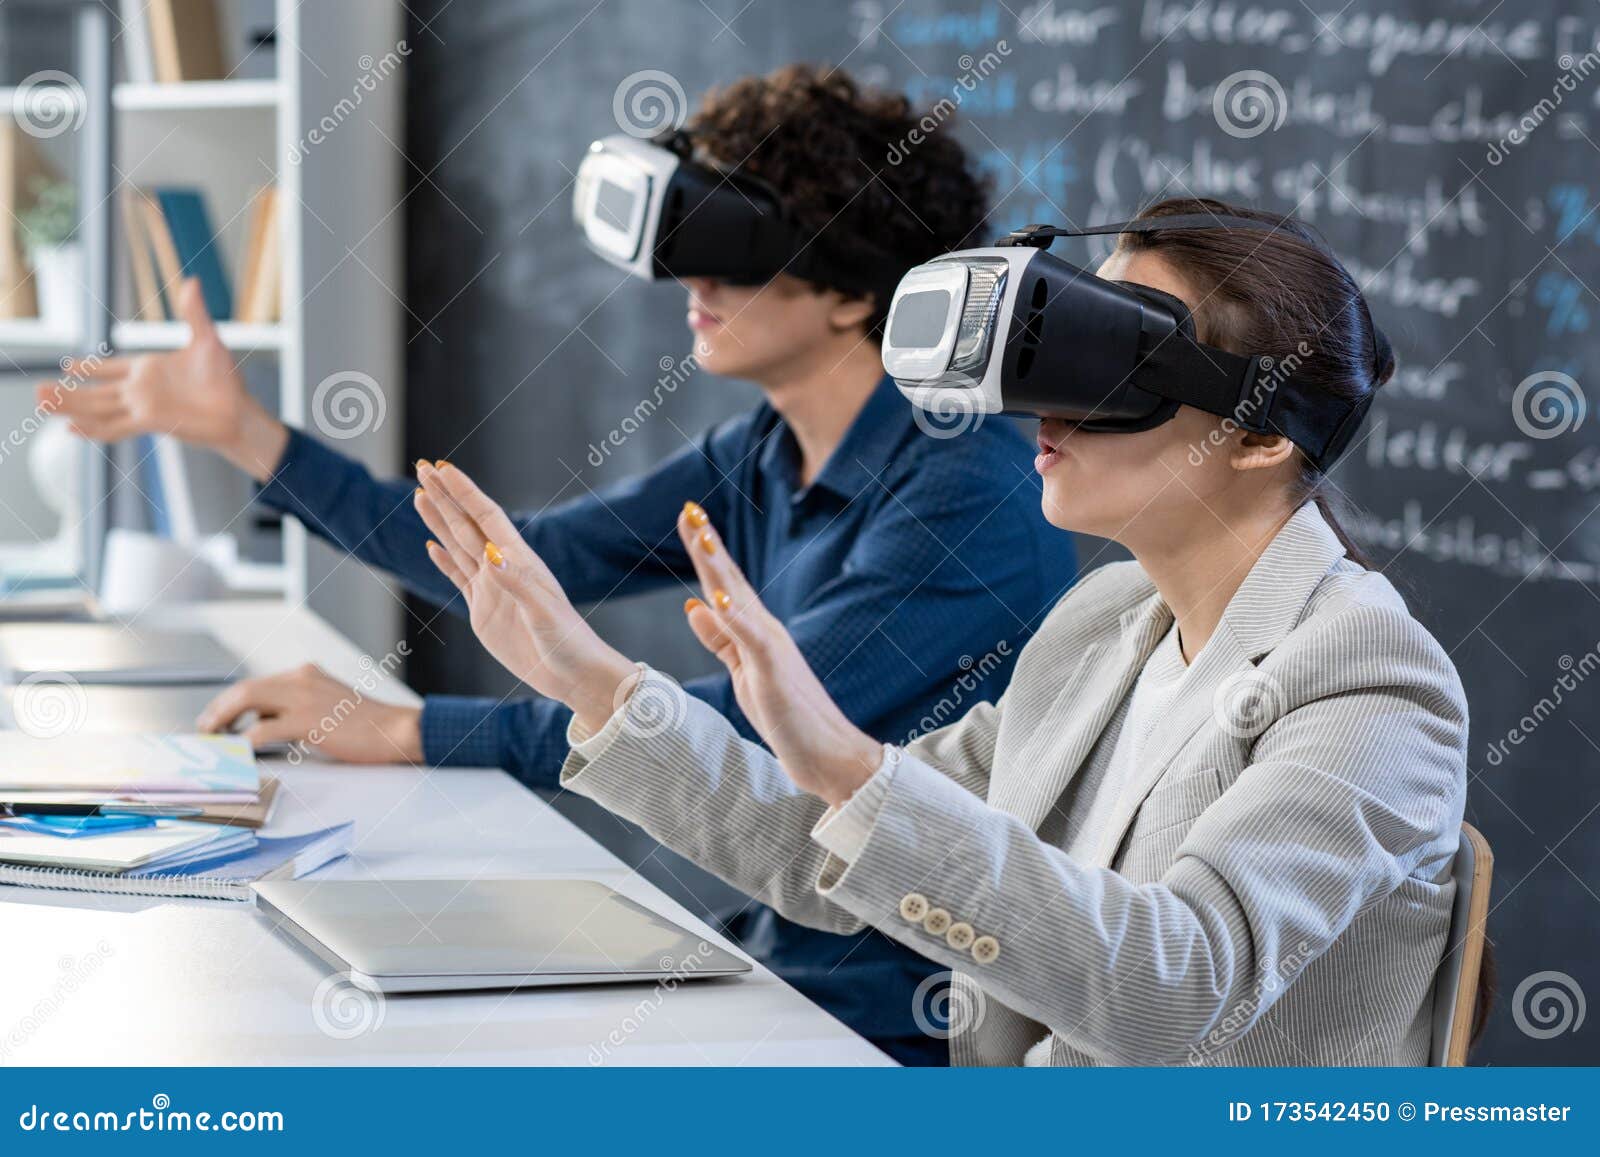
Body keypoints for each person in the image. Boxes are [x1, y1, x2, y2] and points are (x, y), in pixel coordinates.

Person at [42, 65, 1077, 1065]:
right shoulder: (765, 451)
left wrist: (404, 728)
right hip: (783, 956)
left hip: (903, 1020)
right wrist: (247, 433)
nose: (690, 282)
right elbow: (507, 559)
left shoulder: (966, 490)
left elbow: (742, 733)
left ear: (853, 295)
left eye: (728, 249)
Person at [403, 197, 1470, 1065]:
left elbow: (1172, 994)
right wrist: (589, 677)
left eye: (1115, 362)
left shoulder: (1367, 681)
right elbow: (823, 848)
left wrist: (850, 763)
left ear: (1254, 440)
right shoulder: (1102, 626)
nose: (1045, 404)